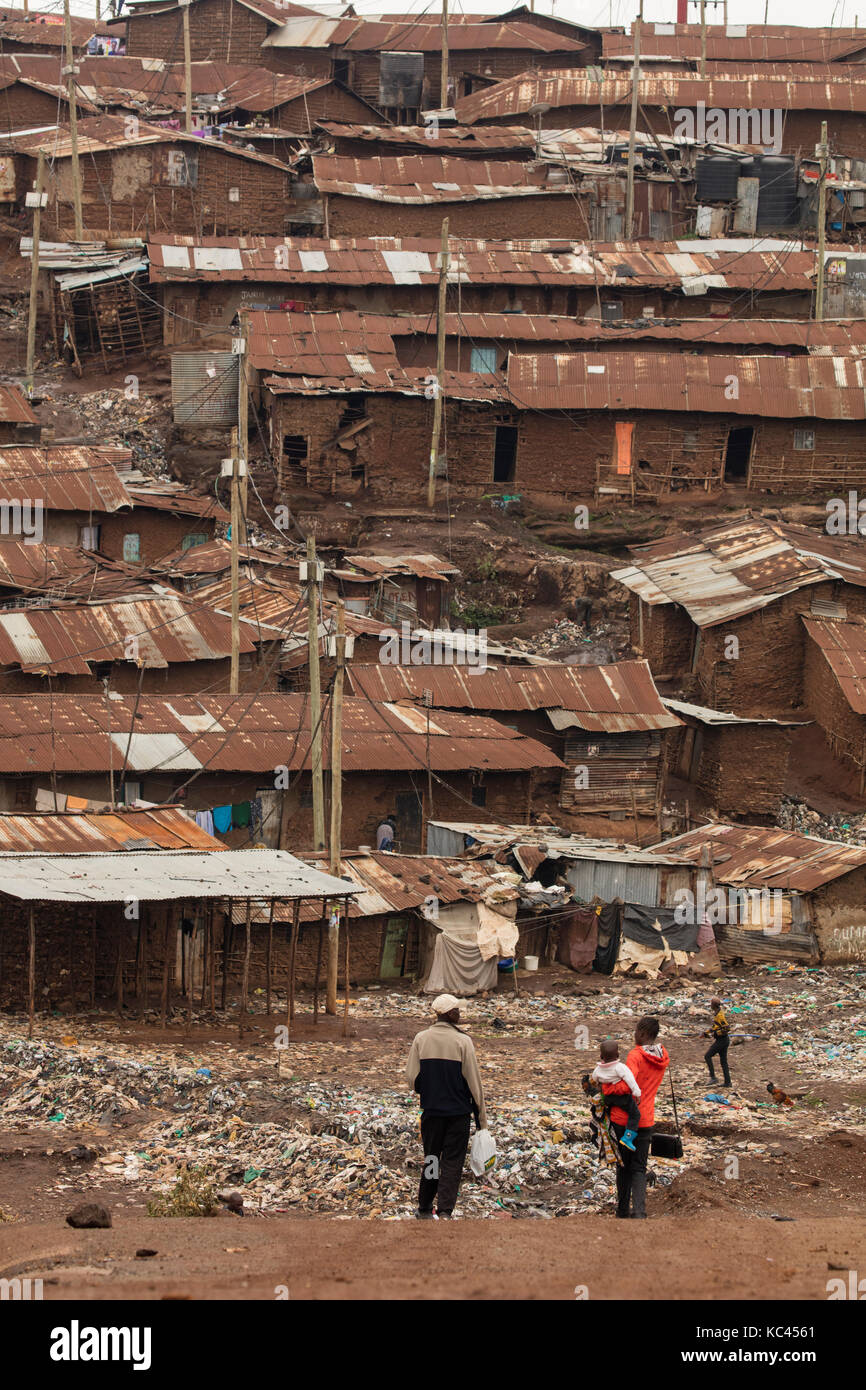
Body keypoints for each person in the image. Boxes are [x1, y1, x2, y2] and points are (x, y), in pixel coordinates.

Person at [405, 994, 487, 1220]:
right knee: (452, 1162)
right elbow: (473, 1082)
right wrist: (481, 1118)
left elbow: (412, 1078)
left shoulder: (421, 1039)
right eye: (457, 1011)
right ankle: (445, 1210)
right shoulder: (463, 1042)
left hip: (431, 1113)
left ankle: (424, 1207)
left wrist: (430, 1090)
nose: (459, 1014)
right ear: (449, 1014)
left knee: (432, 1158)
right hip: (458, 1115)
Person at [608, 1015, 670, 1220]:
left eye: (636, 1030)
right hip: (647, 1120)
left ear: (642, 1033)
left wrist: (607, 1088)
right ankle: (640, 1213)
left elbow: (628, 1085)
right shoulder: (662, 1056)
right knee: (639, 1168)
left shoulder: (635, 1056)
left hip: (623, 1121)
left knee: (623, 1166)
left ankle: (623, 1211)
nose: (634, 1034)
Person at [591, 1039, 641, 1152]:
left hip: (608, 1098)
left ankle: (604, 1133)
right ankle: (628, 1138)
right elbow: (630, 1080)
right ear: (618, 1054)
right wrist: (637, 1093)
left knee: (607, 1113)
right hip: (621, 1098)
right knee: (635, 1114)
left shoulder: (598, 1069)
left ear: (601, 1056)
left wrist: (599, 1086)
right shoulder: (620, 1067)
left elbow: (594, 1080)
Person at [703, 996, 731, 1088]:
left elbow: (727, 1028)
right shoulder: (718, 1013)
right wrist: (706, 1033)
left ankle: (713, 1077)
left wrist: (716, 1033)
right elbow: (715, 1027)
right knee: (723, 1062)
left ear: (713, 1005)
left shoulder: (720, 1016)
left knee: (707, 1056)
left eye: (711, 1004)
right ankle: (727, 1083)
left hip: (722, 1040)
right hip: (723, 1040)